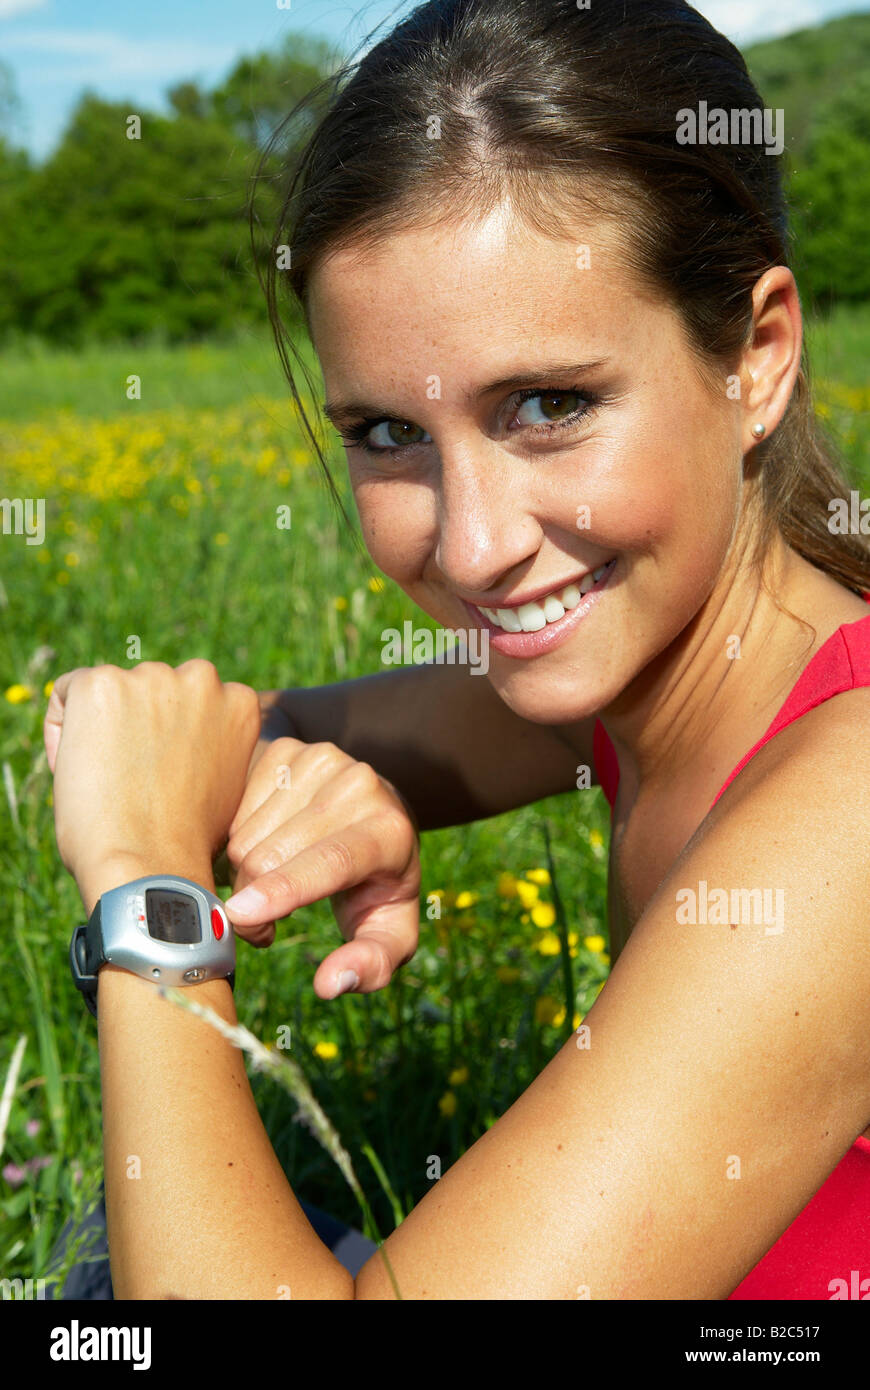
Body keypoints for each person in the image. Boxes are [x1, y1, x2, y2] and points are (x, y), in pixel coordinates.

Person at [45, 0, 870, 1299]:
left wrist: (150, 898)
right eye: (384, 434)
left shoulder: (849, 807)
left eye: (548, 406)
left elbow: (149, 796)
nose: (475, 545)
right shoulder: (620, 680)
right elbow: (199, 741)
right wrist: (296, 788)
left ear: (754, 358)